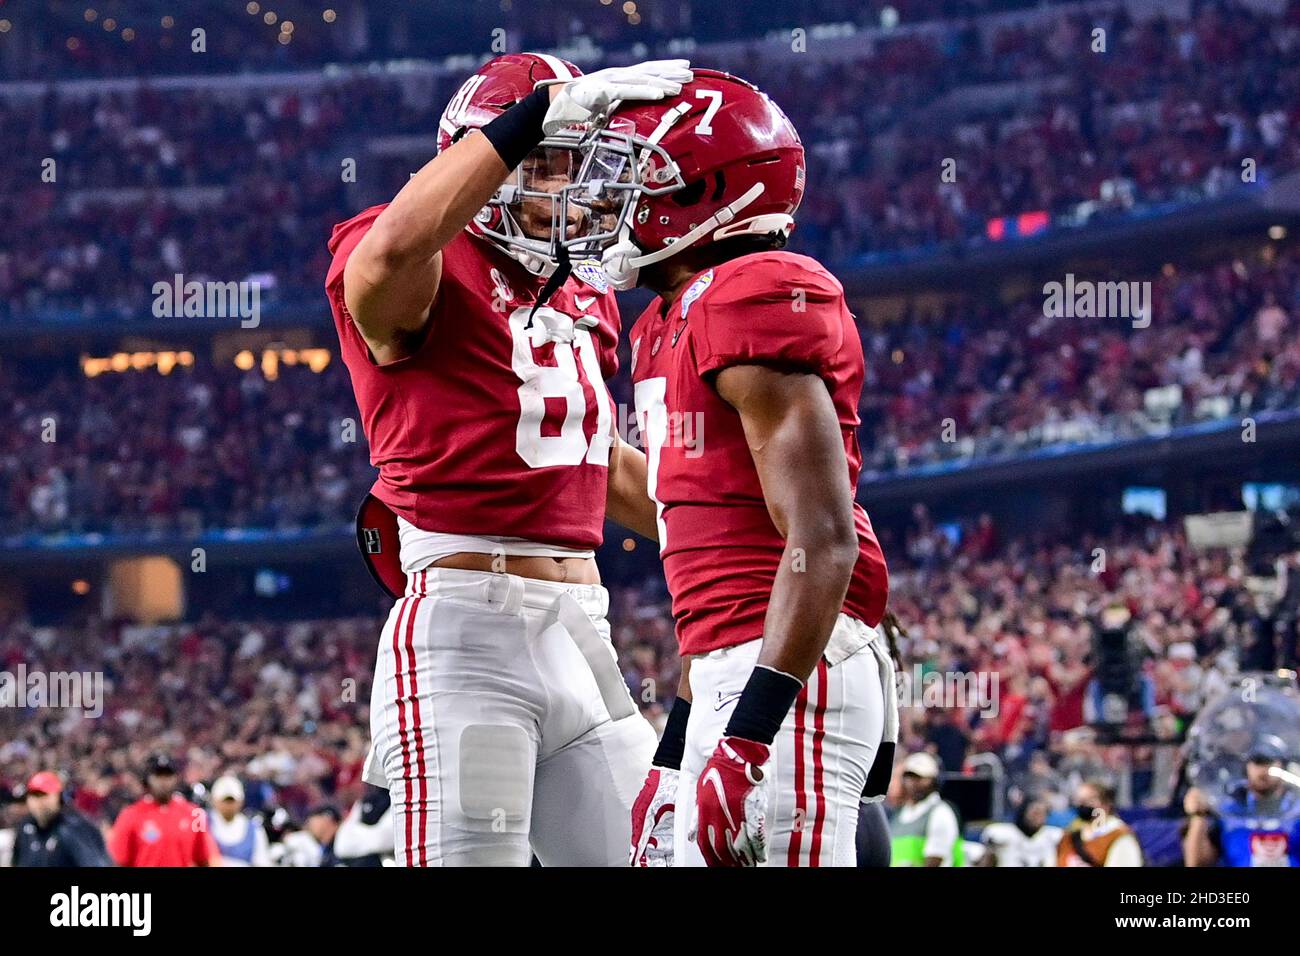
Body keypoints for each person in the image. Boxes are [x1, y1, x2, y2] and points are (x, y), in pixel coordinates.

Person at [325, 53, 693, 866]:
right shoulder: (416, 252)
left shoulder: (582, 291)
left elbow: (598, 462)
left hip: (584, 633)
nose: (567, 189)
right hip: (469, 631)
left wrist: (742, 537)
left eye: (576, 166)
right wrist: (529, 117)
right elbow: (387, 259)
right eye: (547, 164)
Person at [575, 69, 891, 867]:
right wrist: (677, 752)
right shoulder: (666, 322)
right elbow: (712, 575)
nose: (612, 203)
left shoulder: (750, 293)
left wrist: (747, 739)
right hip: (740, 663)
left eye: (635, 179)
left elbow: (821, 543)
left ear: (705, 191)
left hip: (793, 677)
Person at [1184, 739, 1300, 867]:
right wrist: (1198, 816)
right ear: (1246, 767)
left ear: (1283, 766)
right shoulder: (1227, 810)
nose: (1263, 770)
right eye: (1257, 762)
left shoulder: (1296, 810)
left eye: (1269, 762)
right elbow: (1197, 863)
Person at [107, 753, 218, 867]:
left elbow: (204, 859)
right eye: (158, 775)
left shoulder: (193, 814)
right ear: (147, 779)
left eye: (168, 775)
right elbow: (118, 861)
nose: (163, 781)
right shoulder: (130, 815)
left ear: (176, 778)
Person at [10, 771, 111, 868]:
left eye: (43, 795)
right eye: (33, 795)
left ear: (58, 797)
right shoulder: (26, 827)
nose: (38, 802)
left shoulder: (74, 828)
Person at [890, 752, 964, 866]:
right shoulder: (898, 815)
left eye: (920, 778)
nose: (913, 784)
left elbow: (934, 860)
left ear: (934, 781)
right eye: (910, 778)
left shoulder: (940, 813)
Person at [1057, 779, 1142, 867]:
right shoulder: (1070, 835)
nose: (1081, 805)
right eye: (1079, 801)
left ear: (1106, 804)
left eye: (1088, 800)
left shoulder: (1119, 834)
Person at [207, 775, 271, 867]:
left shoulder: (254, 829)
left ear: (241, 801)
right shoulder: (202, 825)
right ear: (214, 800)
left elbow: (262, 862)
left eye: (231, 801)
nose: (228, 805)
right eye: (224, 801)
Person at [979, 798, 1062, 867]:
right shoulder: (1002, 833)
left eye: (1042, 814)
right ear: (1024, 812)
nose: (1037, 818)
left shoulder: (1052, 836)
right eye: (1035, 813)